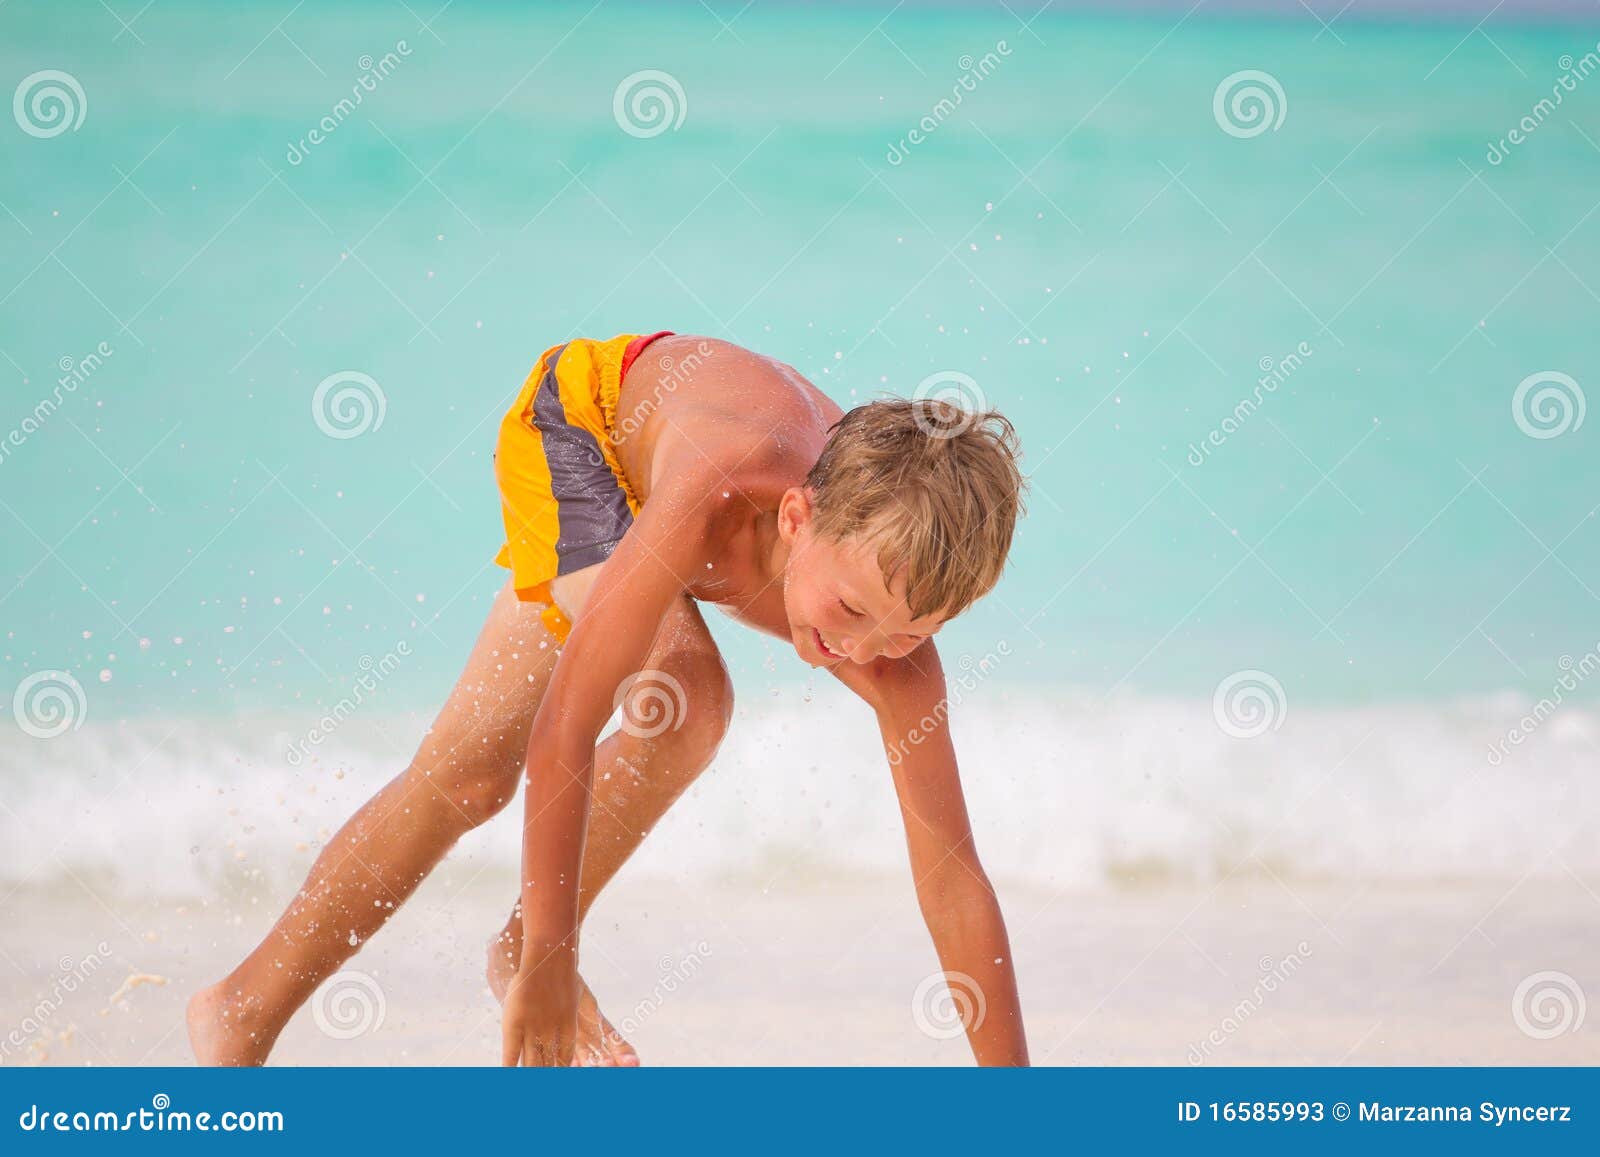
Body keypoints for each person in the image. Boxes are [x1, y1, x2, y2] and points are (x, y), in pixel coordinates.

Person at [189, 331, 1029, 1066]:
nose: (865, 650)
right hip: (581, 426)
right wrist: (553, 956)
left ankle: (239, 1010)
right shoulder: (715, 495)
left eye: (910, 632)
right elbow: (570, 720)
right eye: (849, 611)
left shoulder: (890, 628)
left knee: (475, 778)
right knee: (685, 700)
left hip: (672, 483)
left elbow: (954, 880)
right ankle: (523, 948)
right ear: (799, 518)